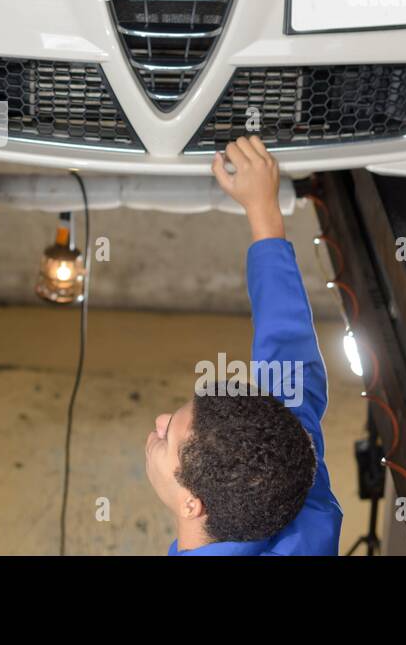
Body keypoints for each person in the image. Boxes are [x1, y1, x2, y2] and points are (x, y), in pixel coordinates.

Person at [144, 136, 342, 555]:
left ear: (191, 503)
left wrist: (262, 209)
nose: (158, 421)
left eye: (168, 437)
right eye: (170, 428)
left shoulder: (303, 490)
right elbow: (286, 359)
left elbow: (289, 355)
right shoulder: (287, 473)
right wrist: (262, 211)